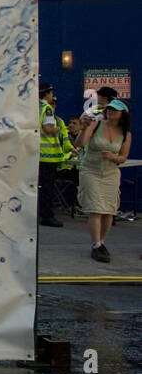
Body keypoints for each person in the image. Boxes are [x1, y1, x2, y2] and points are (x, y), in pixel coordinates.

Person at [76, 99, 131, 263]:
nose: (111, 112)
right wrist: (84, 129)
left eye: (115, 110)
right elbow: (80, 143)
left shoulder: (125, 133)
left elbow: (123, 157)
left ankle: (102, 242)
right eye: (109, 109)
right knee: (96, 208)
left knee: (109, 210)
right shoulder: (97, 124)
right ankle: (95, 244)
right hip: (91, 170)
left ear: (122, 114)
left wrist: (114, 157)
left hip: (111, 173)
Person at [38, 83, 64, 227]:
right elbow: (48, 129)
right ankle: (47, 216)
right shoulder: (47, 109)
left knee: (40, 187)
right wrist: (58, 128)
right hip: (49, 156)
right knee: (48, 188)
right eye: (51, 93)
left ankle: (42, 214)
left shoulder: (35, 108)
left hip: (37, 154)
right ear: (47, 94)